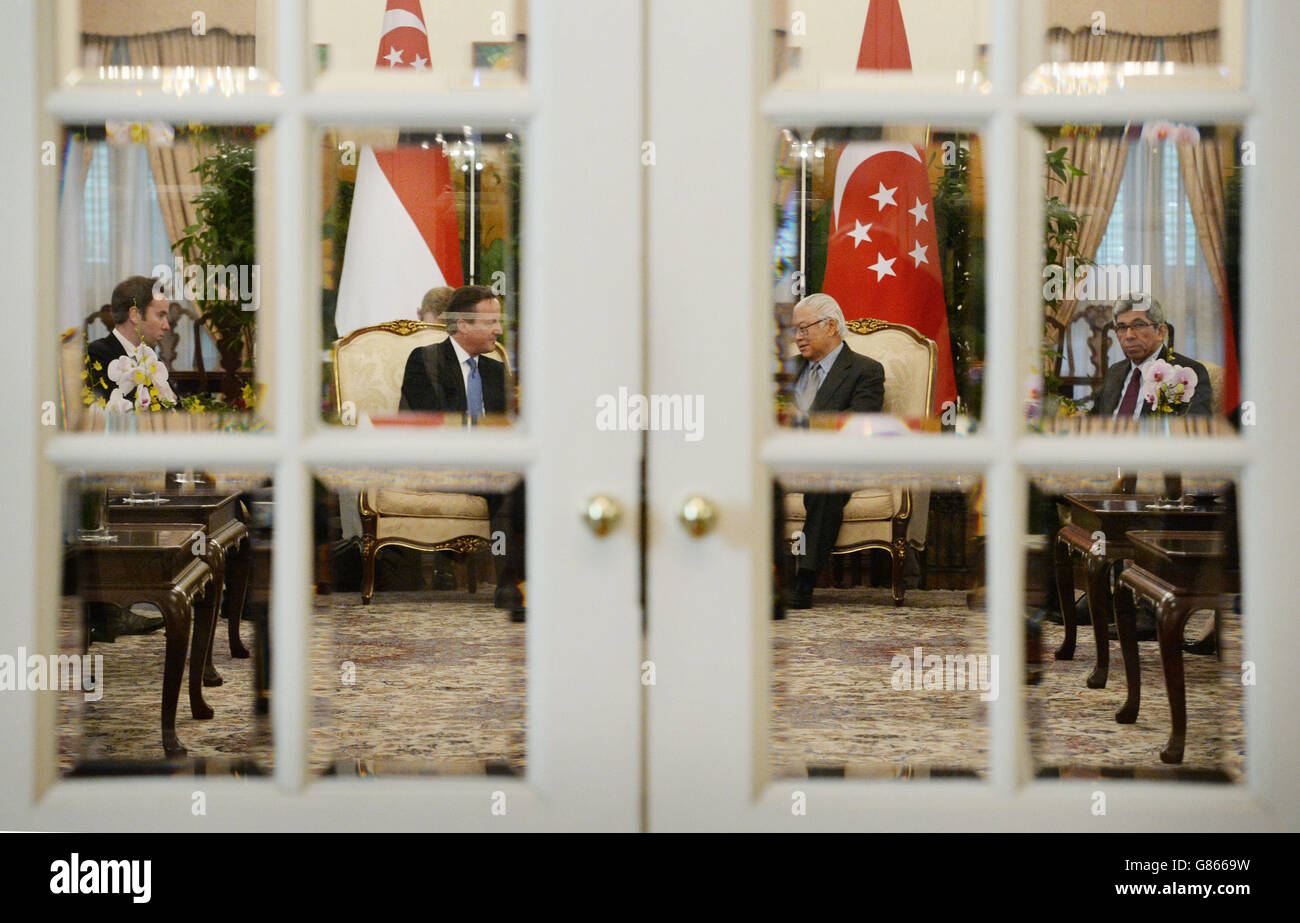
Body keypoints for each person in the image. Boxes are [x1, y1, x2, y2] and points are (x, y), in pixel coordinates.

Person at [398, 285, 526, 619]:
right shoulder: (424, 361)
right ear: (463, 326)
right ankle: (510, 583)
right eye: (491, 322)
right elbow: (433, 426)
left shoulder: (496, 371)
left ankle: (521, 582)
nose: (499, 330)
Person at [785, 293, 886, 610]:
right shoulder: (788, 371)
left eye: (804, 328)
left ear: (830, 326)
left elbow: (857, 428)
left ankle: (805, 580)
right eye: (795, 330)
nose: (798, 337)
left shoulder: (865, 370)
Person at [1090, 295, 1213, 418]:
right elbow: (1093, 419)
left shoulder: (1187, 372)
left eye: (1138, 325)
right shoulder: (1115, 371)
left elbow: (1195, 427)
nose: (1129, 335)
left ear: (1160, 331)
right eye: (1122, 327)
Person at [86, 276, 172, 402]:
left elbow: (175, 406)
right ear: (135, 315)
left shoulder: (151, 359)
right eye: (160, 315)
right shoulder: (96, 355)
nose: (167, 326)